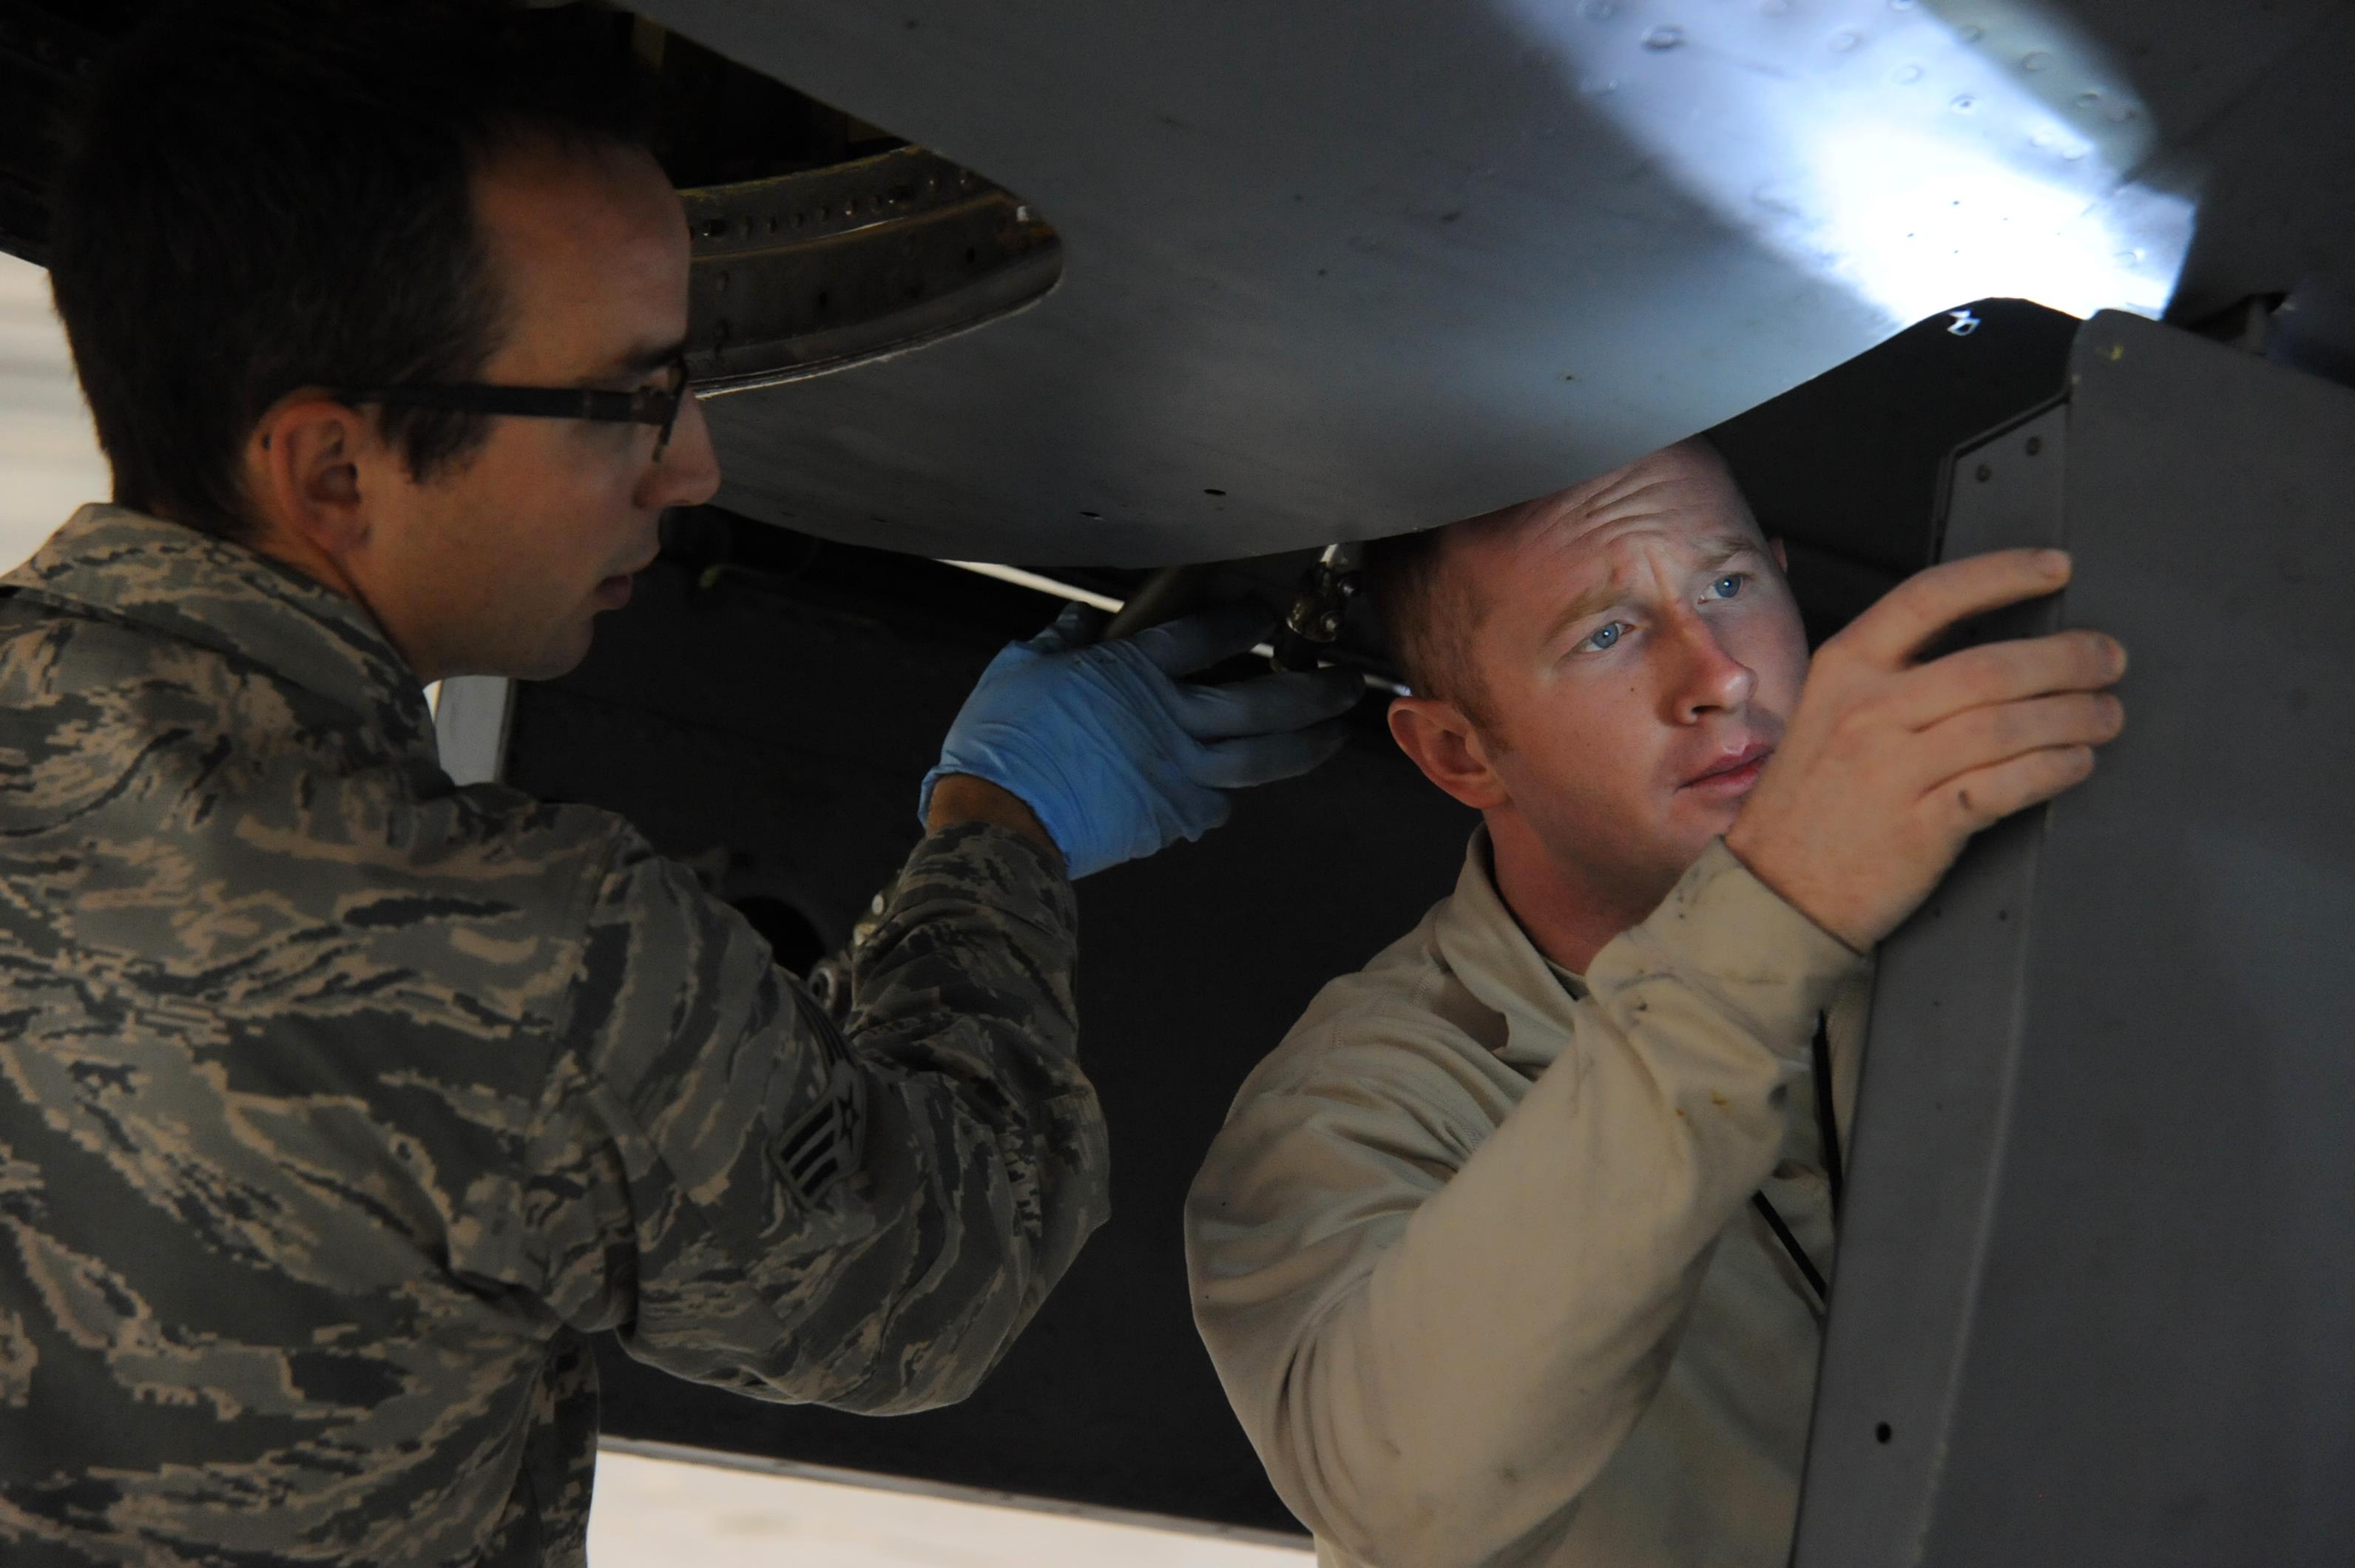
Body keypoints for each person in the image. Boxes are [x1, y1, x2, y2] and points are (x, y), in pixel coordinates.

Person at [0, 3, 1360, 1564]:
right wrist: (1004, 829)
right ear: (332, 472)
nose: (692, 463)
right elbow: (929, 1271)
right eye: (626, 400)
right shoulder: (524, 955)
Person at [1183, 439, 2127, 1567]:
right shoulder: (1354, 1107)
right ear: (1457, 752)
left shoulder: (2000, 907)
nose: (1718, 674)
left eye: (1729, 587)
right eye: (1608, 634)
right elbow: (1405, 1496)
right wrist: (1774, 914)